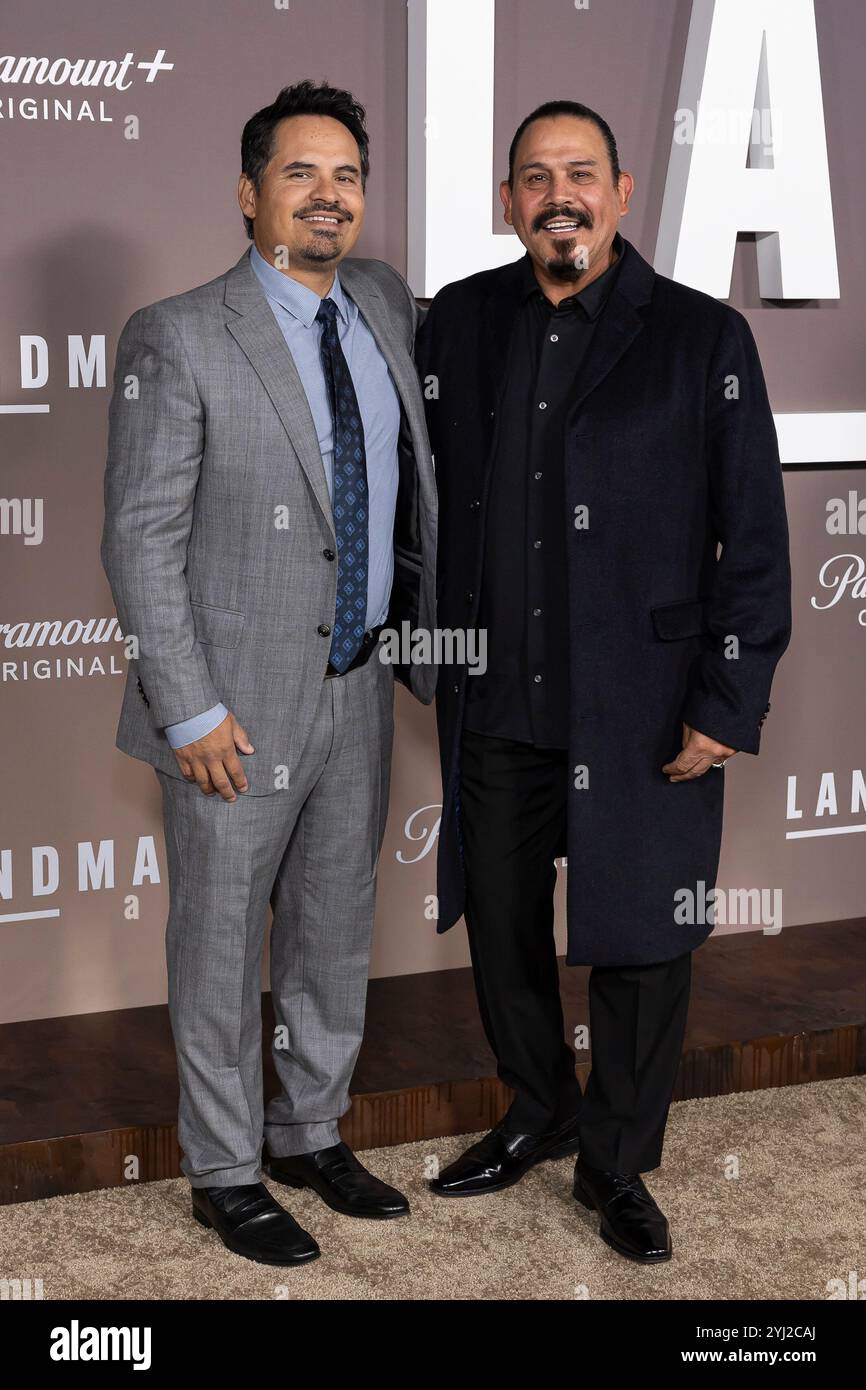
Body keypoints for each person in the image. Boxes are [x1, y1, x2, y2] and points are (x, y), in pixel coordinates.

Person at [415, 100, 791, 1264]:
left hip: (644, 703)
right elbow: (424, 507)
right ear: (506, 202)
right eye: (533, 177)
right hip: (500, 697)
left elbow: (756, 537)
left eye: (579, 173)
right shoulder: (459, 323)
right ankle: (537, 1107)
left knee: (640, 936)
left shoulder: (699, 337)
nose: (556, 194)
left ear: (623, 194)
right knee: (504, 930)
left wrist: (725, 703)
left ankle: (616, 1164)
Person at [101, 80, 436, 1267]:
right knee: (220, 939)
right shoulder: (179, 332)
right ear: (249, 195)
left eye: (345, 175)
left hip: (355, 683)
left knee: (332, 931)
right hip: (229, 709)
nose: (327, 194)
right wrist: (186, 705)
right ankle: (226, 1169)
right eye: (300, 173)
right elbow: (138, 535)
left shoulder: (385, 306)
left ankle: (307, 1130)